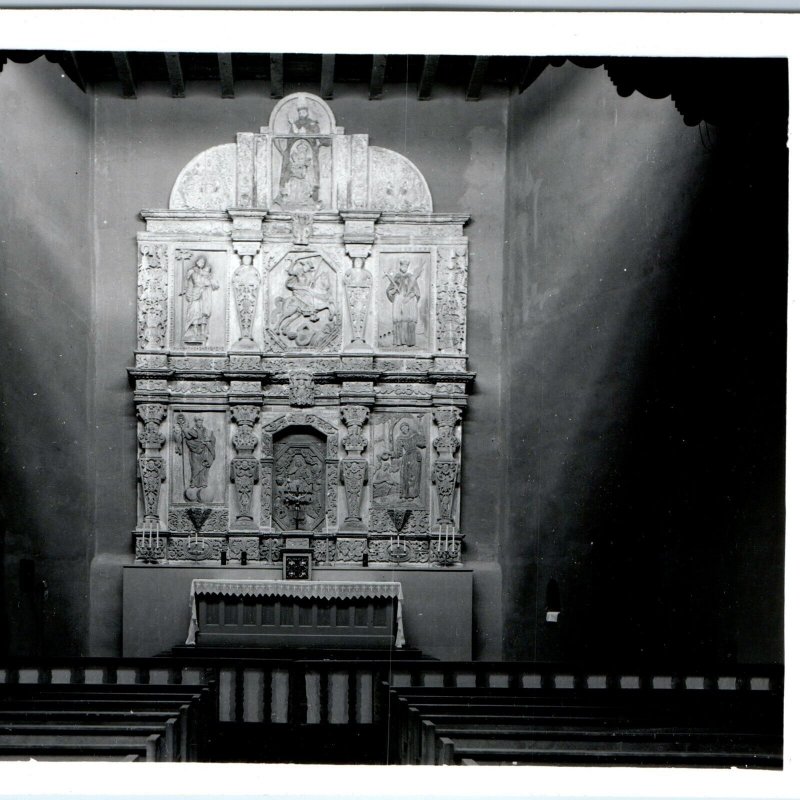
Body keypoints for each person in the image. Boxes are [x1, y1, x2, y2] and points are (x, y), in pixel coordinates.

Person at [181, 256, 219, 344]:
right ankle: (193, 331)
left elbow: (215, 285)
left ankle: (202, 332)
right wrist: (186, 290)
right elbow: (188, 281)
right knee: (194, 312)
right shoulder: (192, 271)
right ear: (197, 262)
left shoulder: (206, 274)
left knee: (203, 313)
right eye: (200, 261)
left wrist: (208, 279)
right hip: (195, 294)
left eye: (203, 262)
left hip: (204, 296)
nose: (201, 263)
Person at [178, 416, 216, 501]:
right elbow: (188, 439)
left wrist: (208, 442)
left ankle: (203, 482)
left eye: (201, 421)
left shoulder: (207, 431)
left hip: (204, 451)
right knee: (195, 467)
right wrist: (183, 430)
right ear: (196, 422)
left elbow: (213, 440)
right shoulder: (192, 430)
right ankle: (193, 482)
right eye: (198, 421)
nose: (200, 423)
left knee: (204, 467)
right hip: (195, 452)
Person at [385, 258, 420, 347]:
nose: (404, 267)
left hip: (409, 301)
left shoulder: (411, 277)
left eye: (405, 265)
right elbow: (389, 290)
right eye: (402, 265)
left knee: (409, 320)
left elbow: (416, 291)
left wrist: (409, 297)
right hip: (398, 300)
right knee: (398, 320)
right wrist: (393, 291)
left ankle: (410, 343)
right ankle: (398, 342)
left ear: (407, 267)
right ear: (400, 266)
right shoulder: (396, 277)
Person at [392, 421, 426, 500]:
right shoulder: (400, 438)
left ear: (408, 427)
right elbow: (399, 452)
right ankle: (405, 494)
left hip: (415, 456)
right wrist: (391, 454)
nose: (403, 429)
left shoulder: (415, 435)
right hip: (406, 457)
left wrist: (421, 435)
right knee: (405, 476)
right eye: (401, 428)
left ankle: (412, 495)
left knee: (413, 476)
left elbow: (423, 444)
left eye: (405, 427)